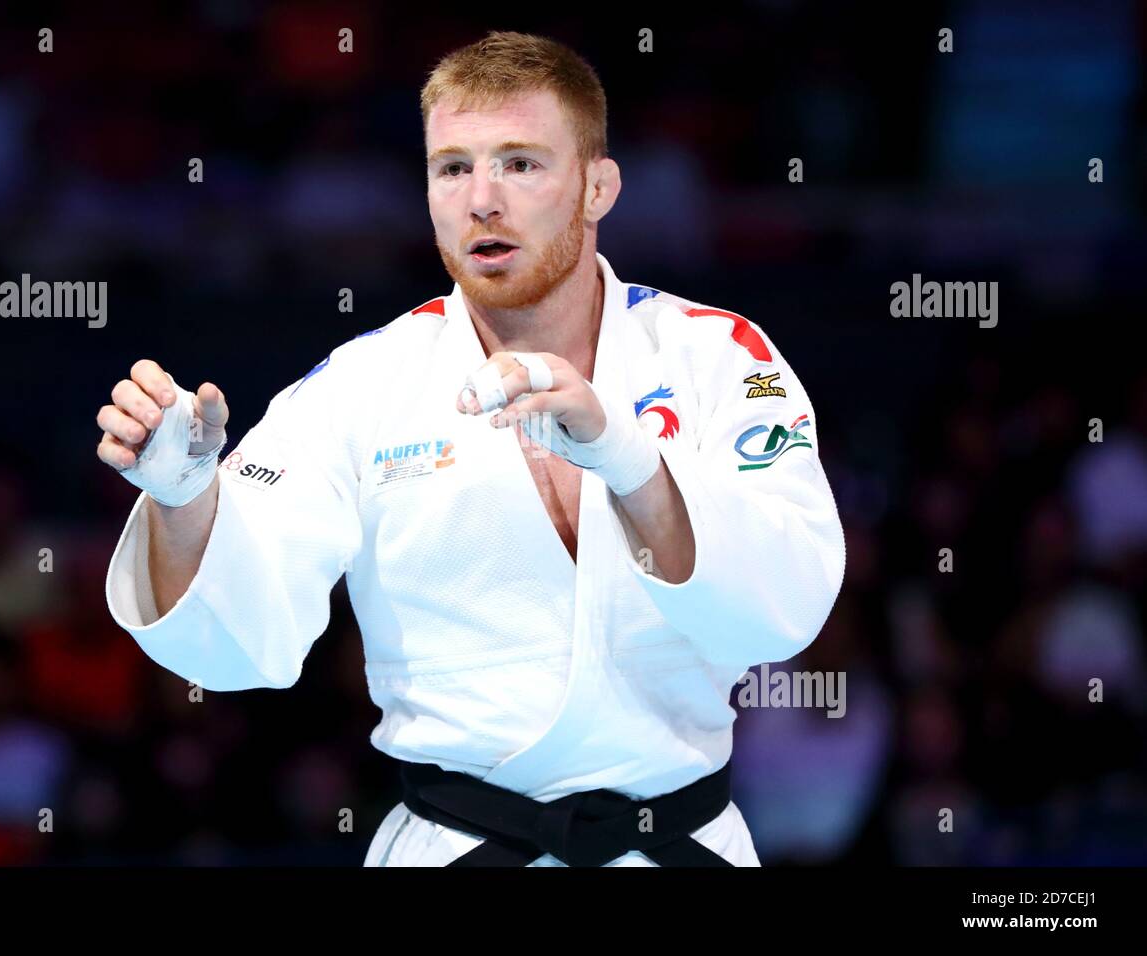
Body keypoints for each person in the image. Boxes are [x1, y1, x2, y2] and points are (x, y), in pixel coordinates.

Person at [95, 31, 845, 866]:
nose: (482, 199)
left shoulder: (717, 356)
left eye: (521, 164)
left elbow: (789, 603)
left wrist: (628, 459)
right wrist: (182, 501)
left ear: (599, 186)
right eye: (453, 168)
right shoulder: (363, 384)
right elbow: (237, 648)